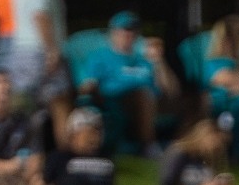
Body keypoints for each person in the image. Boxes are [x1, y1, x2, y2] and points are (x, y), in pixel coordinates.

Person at [76, 12, 180, 156]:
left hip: (153, 101)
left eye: (133, 31)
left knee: (189, 100)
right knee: (142, 95)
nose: (129, 35)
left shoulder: (144, 59)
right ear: (113, 32)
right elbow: (88, 85)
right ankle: (149, 146)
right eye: (125, 30)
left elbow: (172, 90)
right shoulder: (100, 56)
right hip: (115, 100)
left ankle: (184, 149)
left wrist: (159, 62)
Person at [1, 0, 72, 143]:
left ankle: (18, 149)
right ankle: (66, 154)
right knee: (60, 101)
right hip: (40, 51)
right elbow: (40, 15)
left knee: (23, 107)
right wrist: (52, 49)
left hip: (20, 51)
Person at [12, 108, 119, 185]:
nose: (96, 137)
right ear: (74, 134)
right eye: (91, 131)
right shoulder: (61, 158)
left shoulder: (107, 158)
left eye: (99, 131)